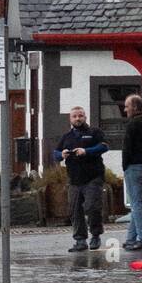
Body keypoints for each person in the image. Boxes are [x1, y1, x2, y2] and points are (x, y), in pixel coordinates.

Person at [54, 106, 109, 252]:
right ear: (70, 119)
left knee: (92, 207)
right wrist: (62, 154)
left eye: (80, 116)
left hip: (93, 177)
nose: (78, 118)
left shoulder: (94, 132)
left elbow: (104, 147)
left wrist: (86, 151)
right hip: (74, 179)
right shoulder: (66, 137)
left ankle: (96, 235)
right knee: (74, 210)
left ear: (85, 117)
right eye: (74, 116)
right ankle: (80, 240)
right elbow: (55, 153)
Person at [121, 94, 142, 251]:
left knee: (136, 204)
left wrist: (124, 166)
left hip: (133, 167)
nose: (125, 109)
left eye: (127, 106)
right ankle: (131, 238)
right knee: (138, 203)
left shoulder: (132, 124)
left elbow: (127, 148)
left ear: (134, 107)